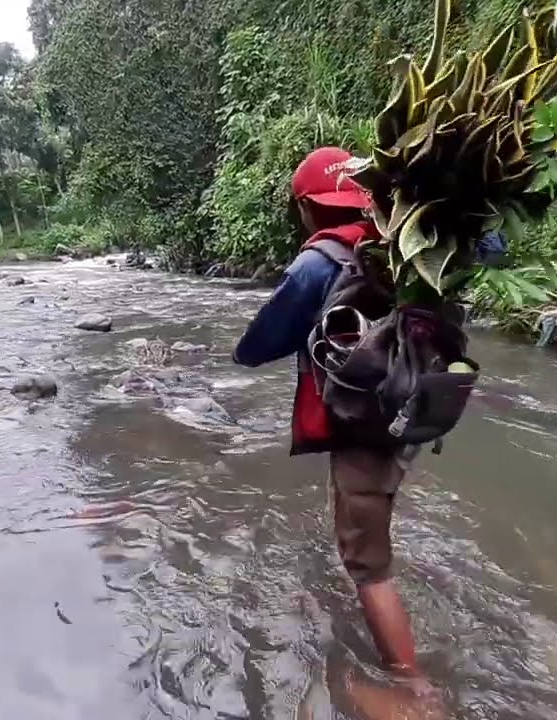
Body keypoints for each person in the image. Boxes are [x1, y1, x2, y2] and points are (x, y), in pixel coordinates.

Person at [232, 146, 431, 684]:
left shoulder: (319, 262)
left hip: (361, 420)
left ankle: (413, 688)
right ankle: (354, 588)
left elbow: (257, 346)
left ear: (307, 208)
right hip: (414, 408)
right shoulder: (412, 245)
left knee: (370, 564)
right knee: (359, 519)